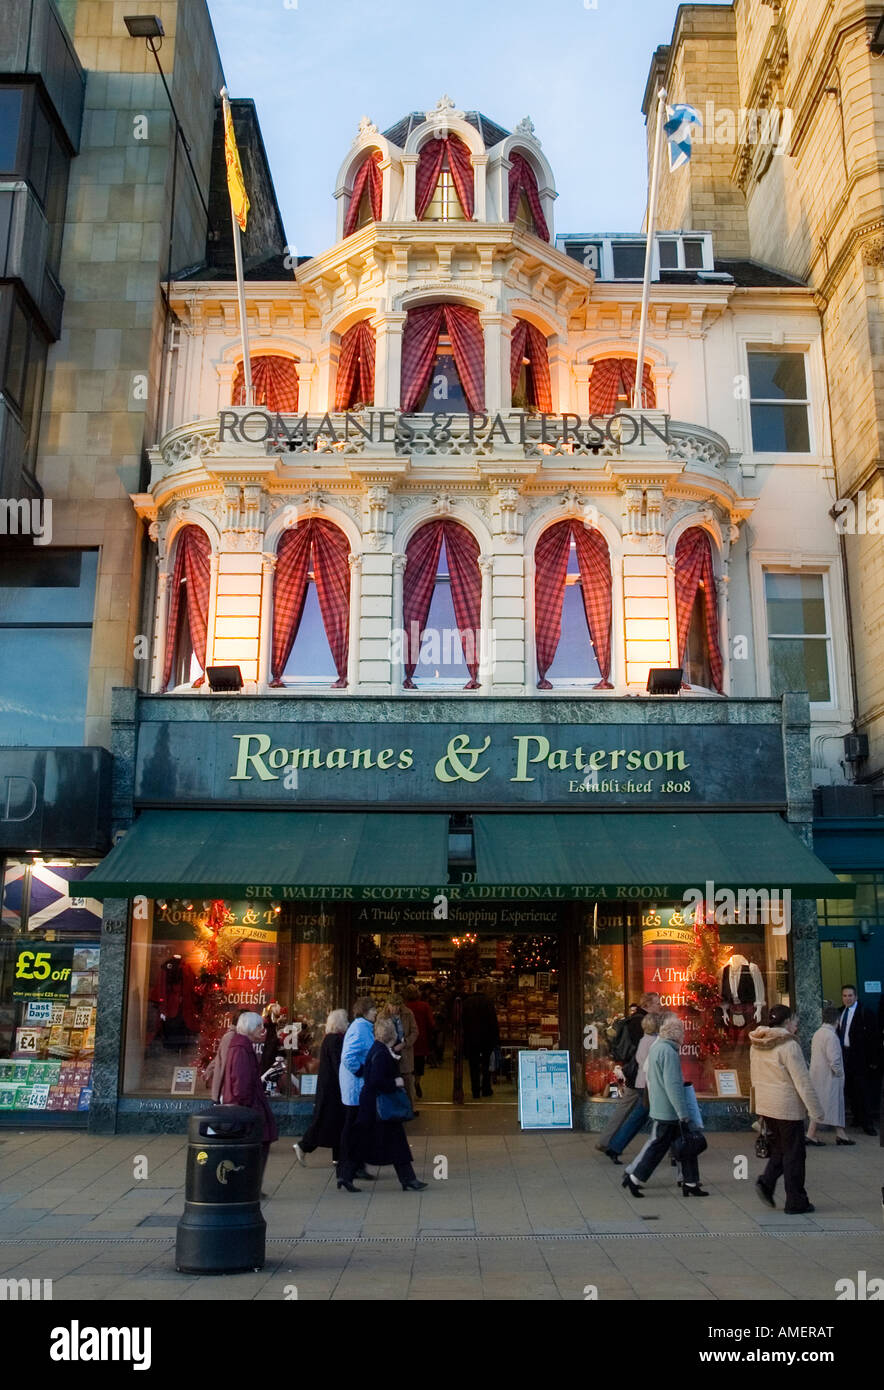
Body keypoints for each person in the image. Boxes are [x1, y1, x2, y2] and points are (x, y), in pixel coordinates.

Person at [750, 1003, 824, 1215]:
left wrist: (756, 1106)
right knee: (794, 1154)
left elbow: (755, 1077)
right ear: (788, 1021)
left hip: (767, 1106)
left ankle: (766, 1182)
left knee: (781, 1149)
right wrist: (815, 1110)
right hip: (787, 1107)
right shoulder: (789, 1046)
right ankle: (796, 1200)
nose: (796, 1026)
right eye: (795, 1021)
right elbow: (802, 1081)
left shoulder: (757, 1043)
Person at [622, 1014, 707, 1197]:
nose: (684, 1036)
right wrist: (682, 1112)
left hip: (662, 1107)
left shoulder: (658, 1048)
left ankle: (691, 1183)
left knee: (686, 1145)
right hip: (670, 1112)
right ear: (676, 1034)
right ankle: (635, 1178)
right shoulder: (669, 1052)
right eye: (682, 1033)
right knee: (660, 1148)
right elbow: (673, 1085)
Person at [357, 1016, 427, 1192]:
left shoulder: (379, 1050)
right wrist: (396, 1083)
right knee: (390, 1142)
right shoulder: (381, 1053)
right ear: (392, 1035)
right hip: (379, 1106)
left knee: (393, 1142)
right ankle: (348, 1171)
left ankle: (408, 1179)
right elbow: (376, 1080)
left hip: (374, 1105)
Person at [218, 1011, 279, 1196]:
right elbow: (241, 1084)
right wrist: (247, 1109)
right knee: (254, 1151)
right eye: (260, 1026)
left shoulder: (242, 1046)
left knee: (256, 1150)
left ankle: (251, 1187)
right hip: (248, 1110)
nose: (263, 1030)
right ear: (251, 1029)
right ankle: (250, 1188)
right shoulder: (242, 1049)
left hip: (248, 1108)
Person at [596, 992, 662, 1155]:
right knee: (654, 1112)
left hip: (636, 1073)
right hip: (640, 1074)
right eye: (657, 1003)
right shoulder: (642, 1022)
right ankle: (611, 1143)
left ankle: (606, 1141)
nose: (660, 1006)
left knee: (627, 1109)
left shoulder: (637, 1019)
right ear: (647, 1005)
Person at [293, 1009, 349, 1166]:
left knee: (335, 1121)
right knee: (327, 1121)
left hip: (329, 1087)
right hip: (333, 1089)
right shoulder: (336, 1040)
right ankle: (303, 1145)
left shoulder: (330, 1039)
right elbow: (338, 1064)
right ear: (339, 1023)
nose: (348, 1023)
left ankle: (337, 1157)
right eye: (345, 1020)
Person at [337, 996, 379, 1192]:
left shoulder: (362, 1026)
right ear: (364, 1011)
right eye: (373, 1009)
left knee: (356, 1126)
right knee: (354, 1127)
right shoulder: (360, 1028)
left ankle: (352, 1167)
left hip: (358, 1086)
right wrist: (360, 1070)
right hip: (356, 1086)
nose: (376, 1012)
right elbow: (348, 1056)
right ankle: (347, 1168)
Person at [837, 985, 879, 1135]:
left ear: (856, 997)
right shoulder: (840, 1012)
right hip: (845, 1055)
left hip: (860, 1057)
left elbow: (874, 1037)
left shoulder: (865, 1013)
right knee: (850, 1089)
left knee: (863, 1090)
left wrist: (873, 1059)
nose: (847, 998)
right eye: (845, 996)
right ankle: (857, 1117)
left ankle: (868, 1123)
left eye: (850, 995)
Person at [807, 1006, 851, 1146]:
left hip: (817, 1075)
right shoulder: (831, 1036)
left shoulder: (818, 1033)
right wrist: (839, 1073)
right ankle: (837, 1134)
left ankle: (834, 1133)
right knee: (833, 1104)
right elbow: (835, 1060)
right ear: (837, 1020)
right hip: (830, 1077)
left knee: (820, 1104)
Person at [461, 980, 500, 1099]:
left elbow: (463, 1022)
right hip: (486, 1038)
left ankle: (475, 1091)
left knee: (473, 1065)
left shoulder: (466, 1002)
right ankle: (486, 1089)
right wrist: (495, 1038)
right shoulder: (488, 1002)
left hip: (471, 1039)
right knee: (486, 1064)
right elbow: (493, 1022)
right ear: (484, 988)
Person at [383, 994, 420, 1113]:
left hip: (405, 1051)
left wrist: (405, 1043)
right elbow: (378, 1034)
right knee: (391, 1079)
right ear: (387, 1005)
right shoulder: (382, 1016)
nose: (394, 1009)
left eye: (397, 1006)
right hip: (389, 1052)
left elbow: (415, 1031)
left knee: (407, 1080)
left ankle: (409, 1108)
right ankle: (393, 1108)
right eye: (392, 1006)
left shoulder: (408, 1014)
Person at [205, 1009, 244, 1101]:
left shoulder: (238, 1037)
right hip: (226, 1093)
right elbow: (226, 1065)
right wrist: (224, 1092)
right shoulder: (231, 1037)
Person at [405, 985, 434, 1099]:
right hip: (421, 1040)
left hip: (407, 1041)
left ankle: (410, 1085)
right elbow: (431, 1023)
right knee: (419, 1064)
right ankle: (417, 1082)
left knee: (408, 1065)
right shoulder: (424, 1006)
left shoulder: (404, 1007)